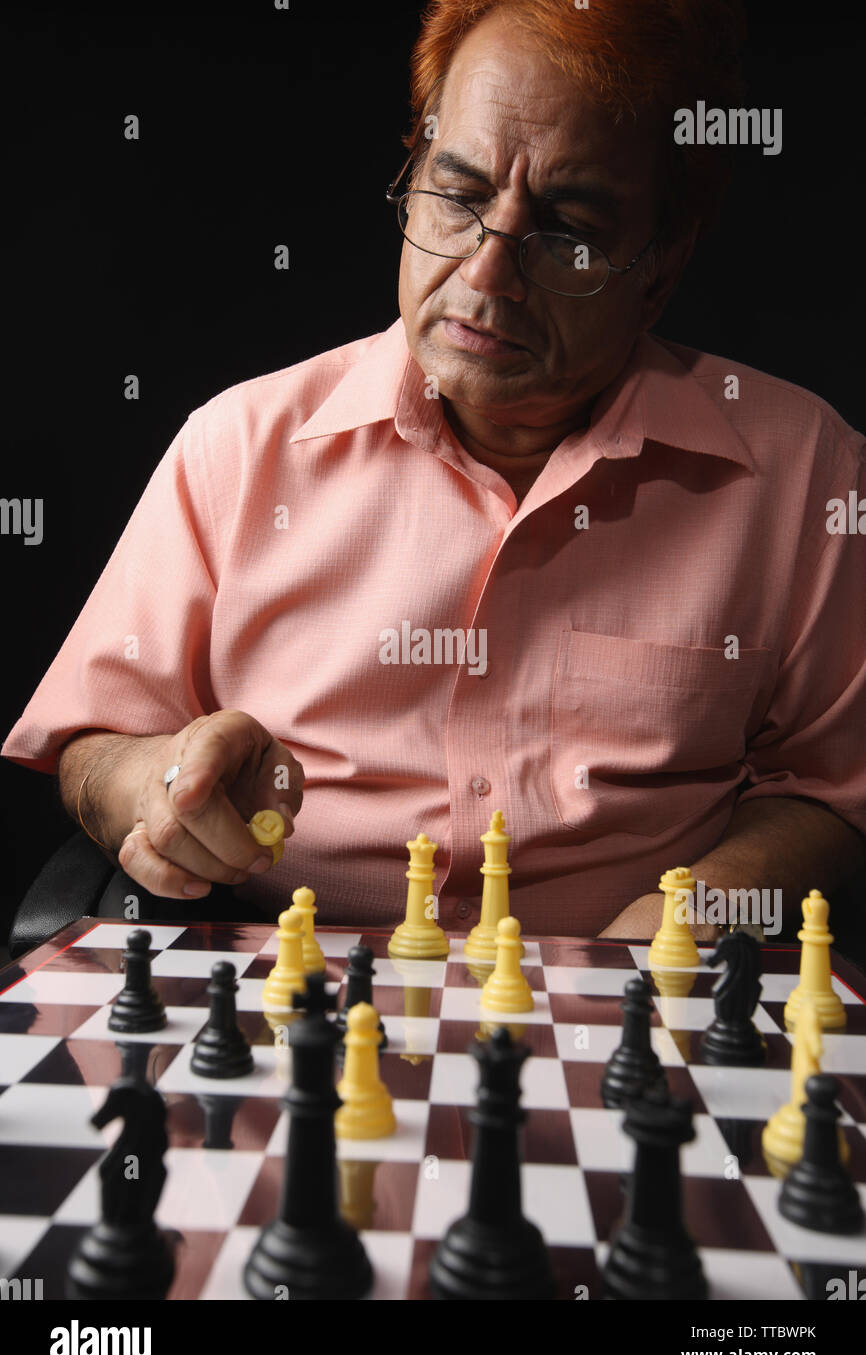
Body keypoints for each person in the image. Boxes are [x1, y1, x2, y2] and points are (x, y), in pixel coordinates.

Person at [4, 0, 865, 942]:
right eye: (458, 196)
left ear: (660, 264)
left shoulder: (803, 471)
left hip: (642, 1019)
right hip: (292, 999)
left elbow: (833, 791)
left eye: (566, 229)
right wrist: (164, 784)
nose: (487, 275)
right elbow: (91, 748)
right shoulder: (236, 448)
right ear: (411, 180)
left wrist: (683, 925)